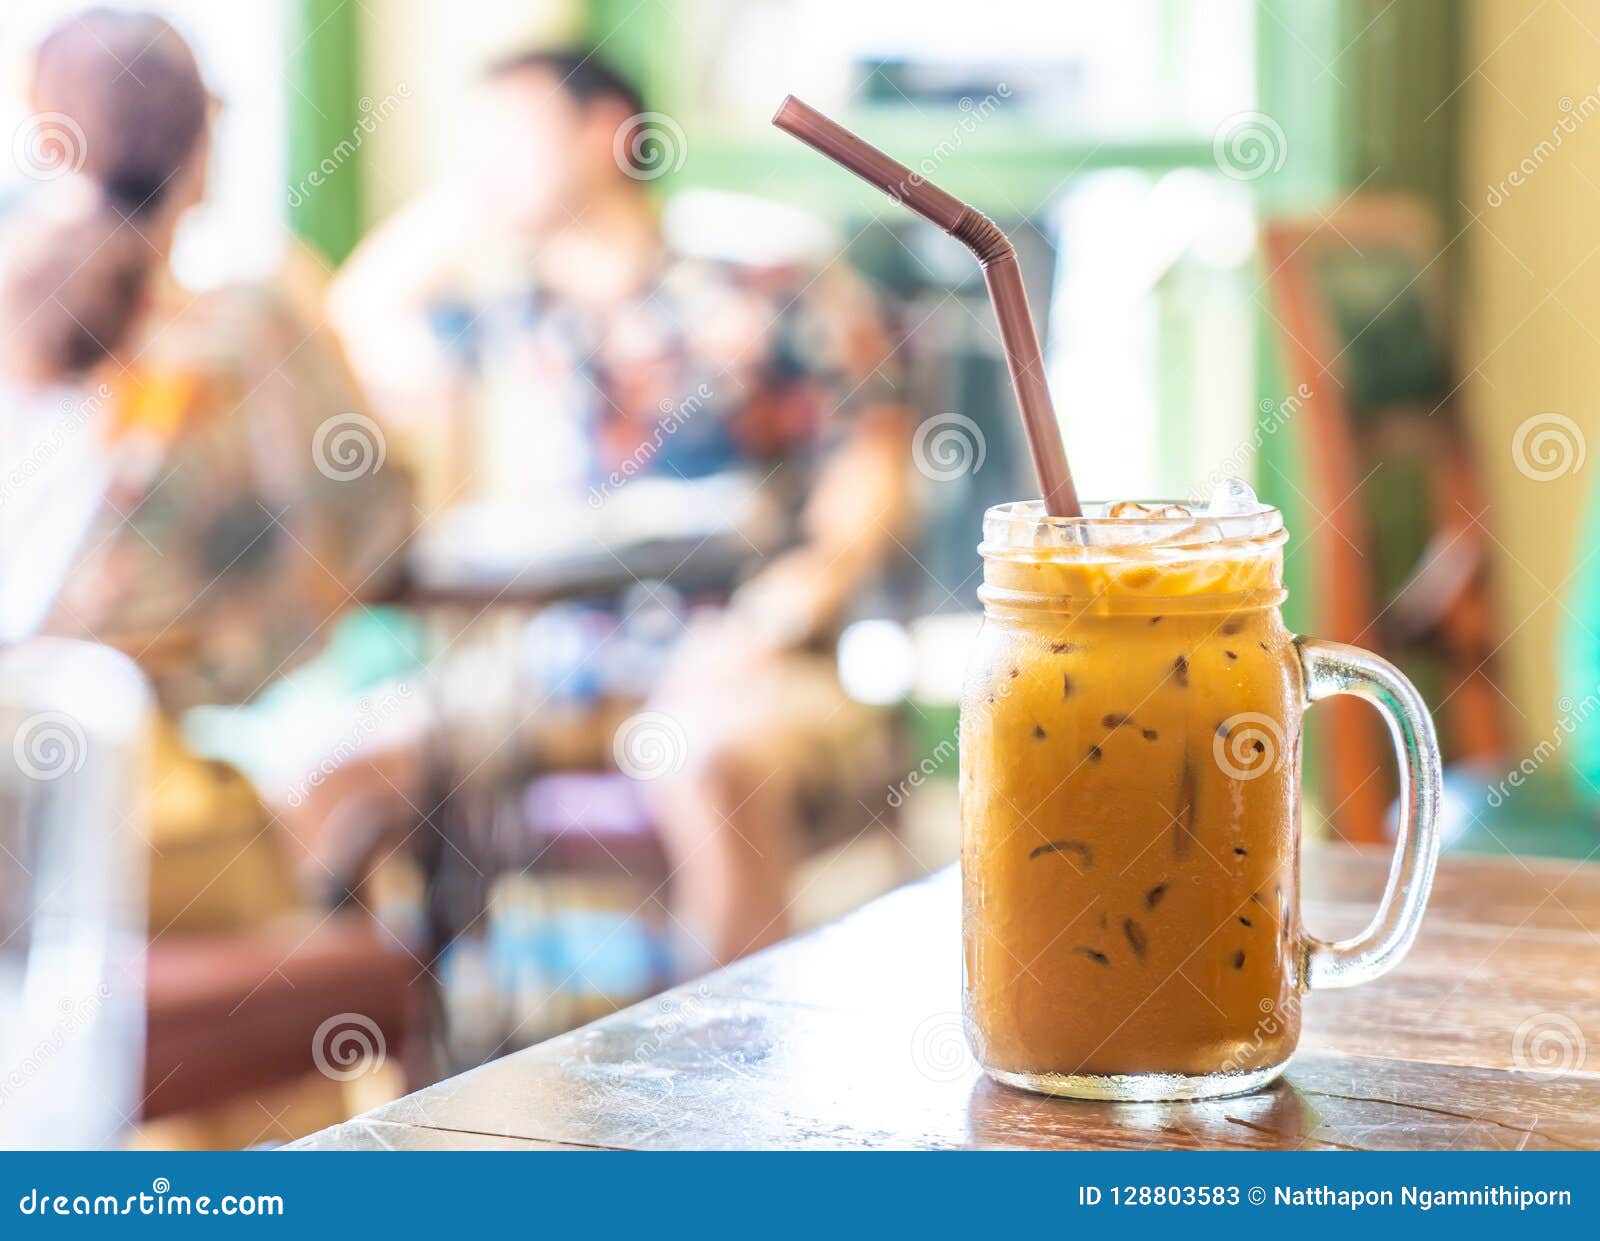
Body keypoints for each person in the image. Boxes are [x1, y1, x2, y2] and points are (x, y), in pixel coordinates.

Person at [332, 49, 914, 969]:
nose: (485, 159)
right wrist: (470, 199)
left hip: (740, 654)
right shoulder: (511, 300)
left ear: (606, 133)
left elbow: (873, 466)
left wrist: (776, 616)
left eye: (511, 134)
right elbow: (346, 330)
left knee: (702, 756)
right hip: (546, 669)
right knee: (337, 771)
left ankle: (722, 1050)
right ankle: (390, 1053)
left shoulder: (764, 275)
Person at [0, 10, 415, 930]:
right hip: (137, 819)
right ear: (203, 145)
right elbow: (376, 524)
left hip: (25, 795)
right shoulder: (249, 317)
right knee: (394, 766)